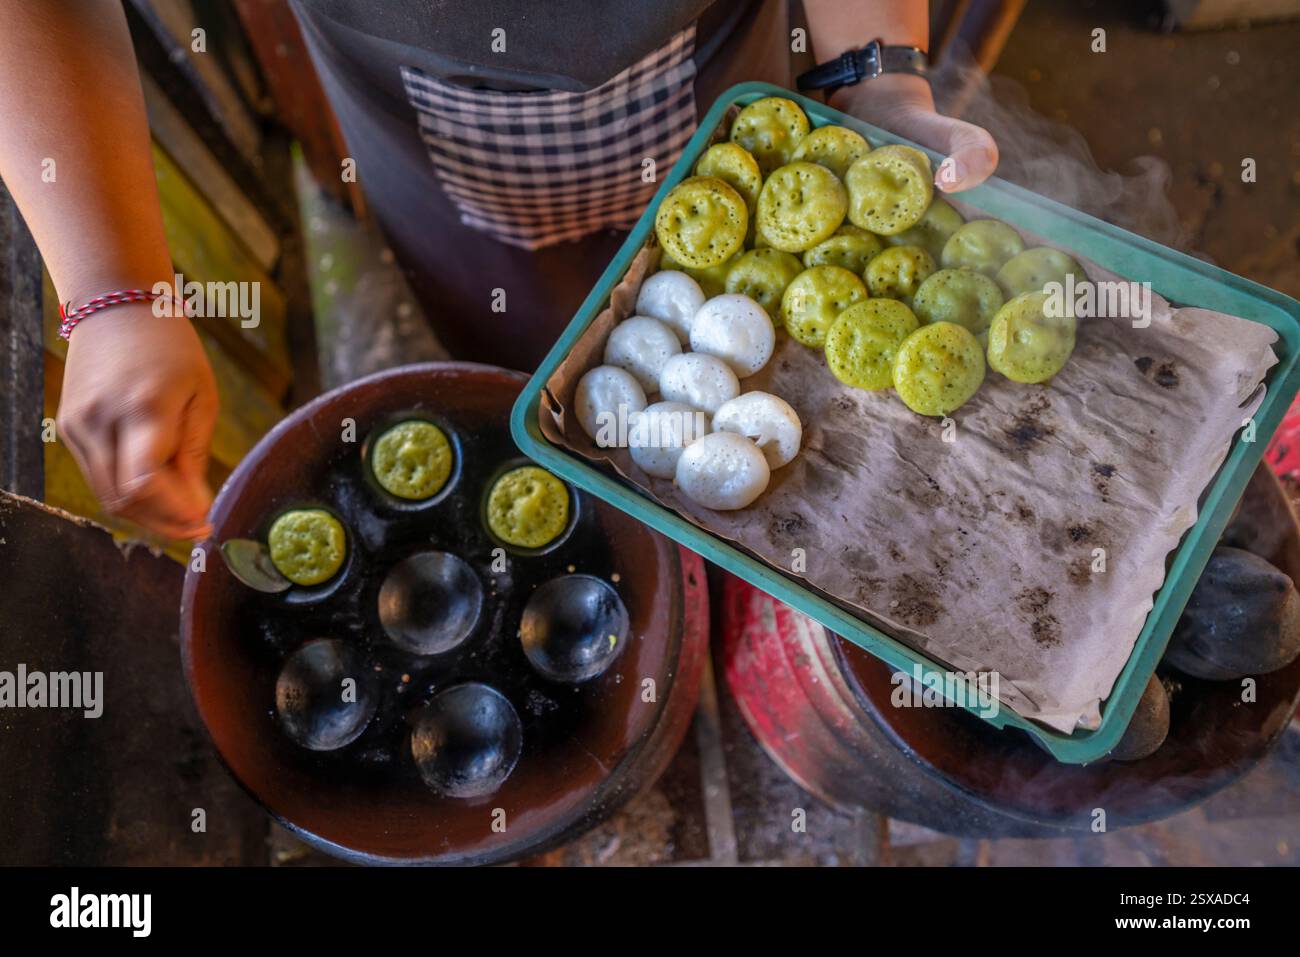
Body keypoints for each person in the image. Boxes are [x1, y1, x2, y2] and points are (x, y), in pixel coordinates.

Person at [0, 0, 997, 540]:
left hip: (717, 81)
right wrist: (116, 292)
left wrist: (874, 77)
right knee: (517, 343)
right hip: (424, 124)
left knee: (754, 346)